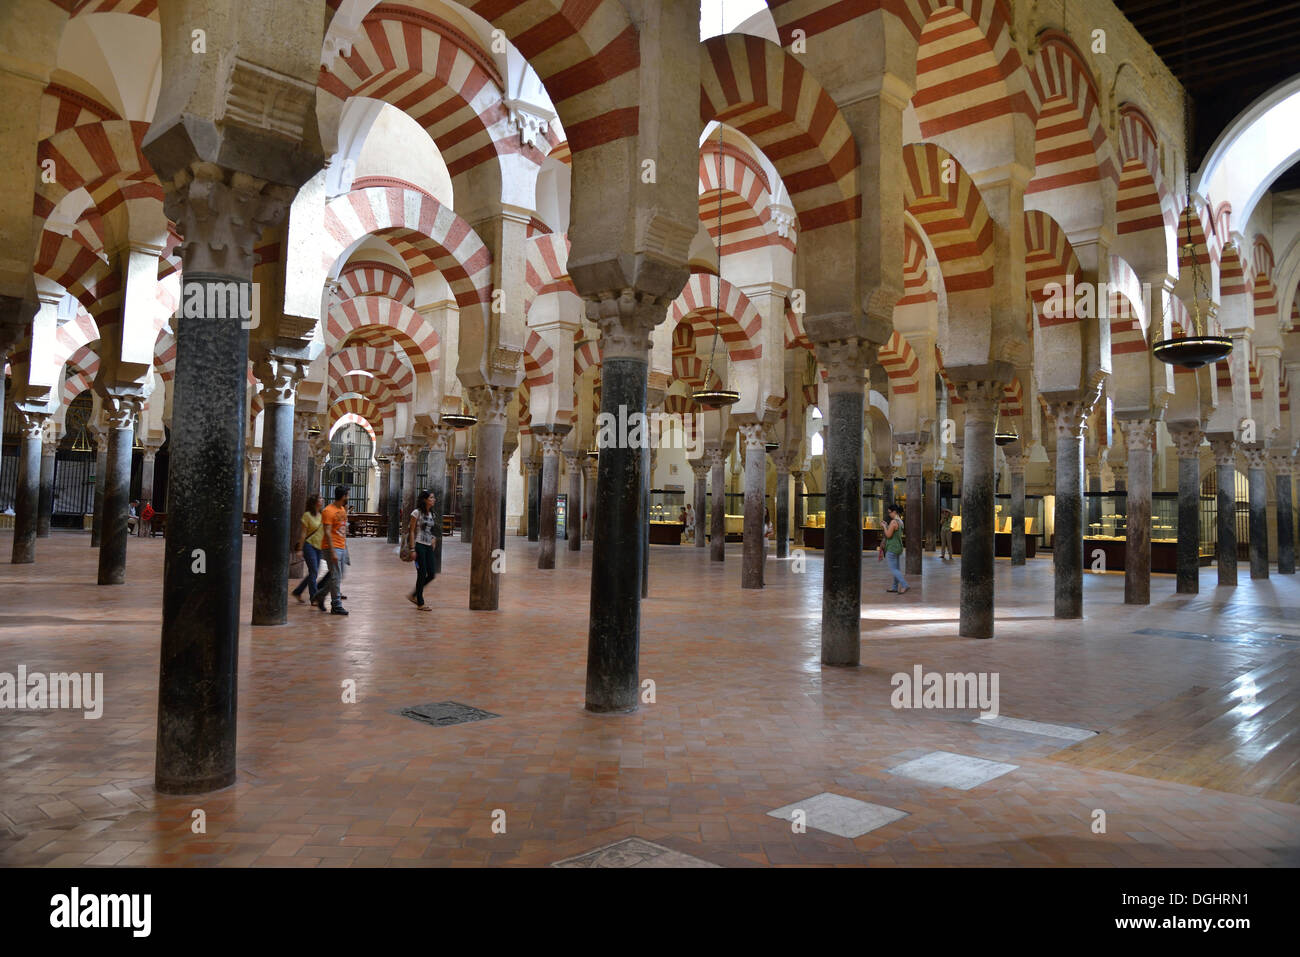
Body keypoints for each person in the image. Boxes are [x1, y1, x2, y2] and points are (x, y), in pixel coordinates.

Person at [313, 486, 350, 615]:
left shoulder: (342, 509)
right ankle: (336, 605)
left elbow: (343, 528)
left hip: (341, 546)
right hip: (331, 547)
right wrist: (333, 551)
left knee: (337, 576)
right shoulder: (328, 511)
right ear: (343, 496)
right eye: (347, 495)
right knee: (335, 576)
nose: (348, 498)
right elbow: (327, 532)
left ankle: (320, 595)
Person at [406, 489, 439, 611]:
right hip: (419, 545)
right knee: (421, 573)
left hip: (428, 546)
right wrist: (412, 548)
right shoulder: (416, 513)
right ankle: (420, 602)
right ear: (425, 499)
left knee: (431, 574)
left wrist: (433, 538)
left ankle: (414, 594)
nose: (433, 500)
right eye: (431, 497)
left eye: (433, 497)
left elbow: (430, 531)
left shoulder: (432, 514)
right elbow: (411, 531)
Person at [291, 494, 324, 604]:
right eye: (320, 498)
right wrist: (300, 549)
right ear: (314, 502)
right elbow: (303, 533)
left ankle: (298, 591)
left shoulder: (322, 515)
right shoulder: (307, 515)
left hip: (319, 546)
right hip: (309, 546)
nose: (322, 499)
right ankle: (313, 597)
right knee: (314, 571)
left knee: (313, 572)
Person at [880, 503, 909, 594]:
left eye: (890, 512)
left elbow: (888, 535)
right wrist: (887, 526)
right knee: (896, 568)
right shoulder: (900, 521)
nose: (889, 514)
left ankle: (904, 585)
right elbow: (894, 533)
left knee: (893, 569)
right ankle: (895, 587)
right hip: (898, 546)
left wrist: (884, 526)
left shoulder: (893, 522)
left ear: (895, 512)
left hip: (892, 547)